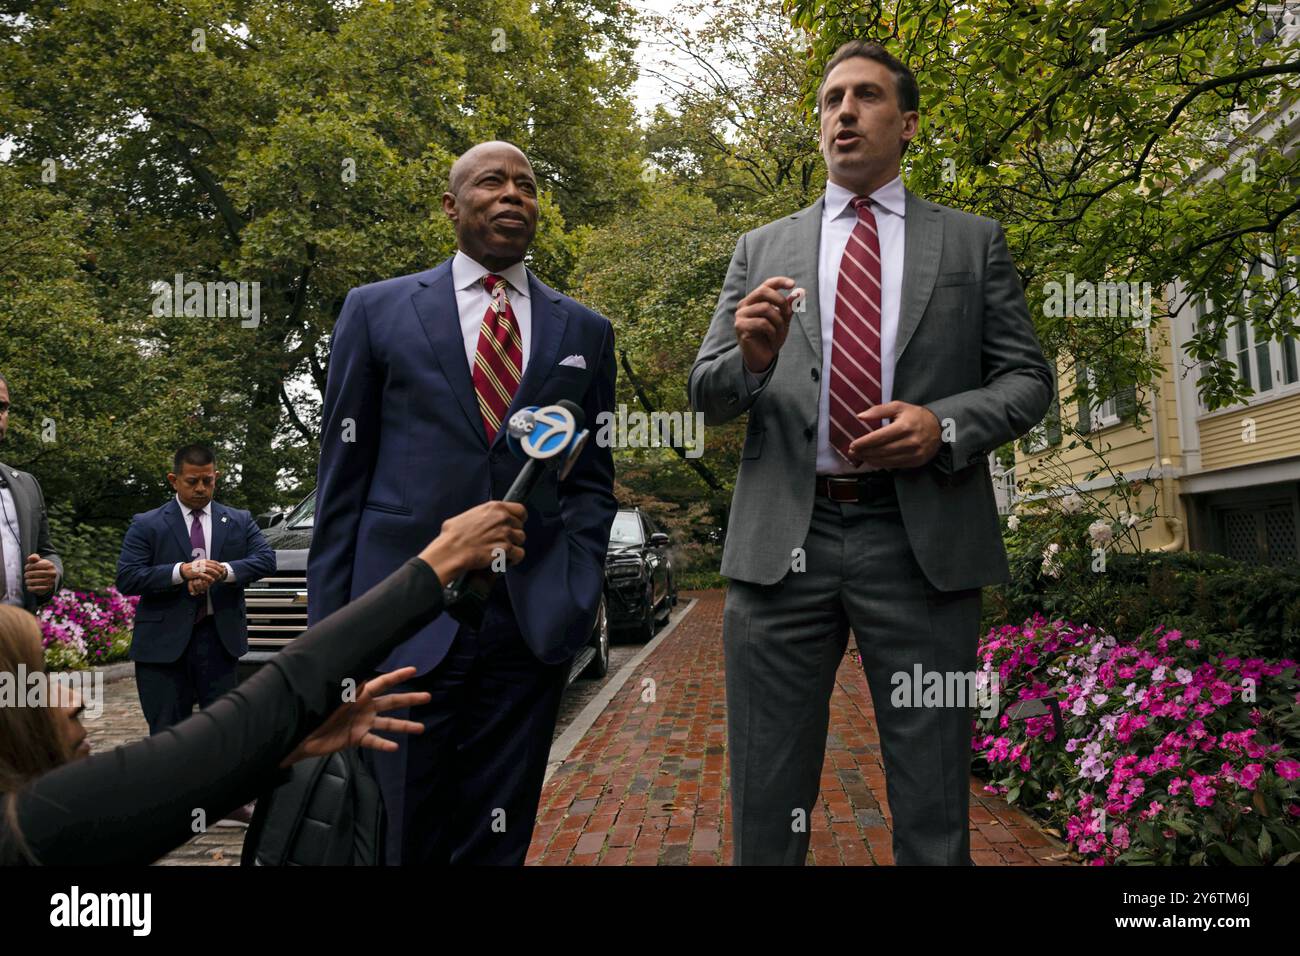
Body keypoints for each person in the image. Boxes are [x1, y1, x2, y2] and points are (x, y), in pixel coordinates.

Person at [689, 41, 1054, 865]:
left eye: (866, 96)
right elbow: (706, 392)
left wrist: (943, 426)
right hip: (783, 546)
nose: (844, 112)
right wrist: (750, 360)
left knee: (933, 805)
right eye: (831, 100)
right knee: (765, 798)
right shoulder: (761, 248)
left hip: (921, 544)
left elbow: (1028, 380)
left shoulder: (972, 243)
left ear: (908, 123)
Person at [309, 140, 617, 865]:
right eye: (491, 182)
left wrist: (575, 592)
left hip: (527, 629)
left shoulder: (585, 330)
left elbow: (592, 482)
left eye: (526, 186)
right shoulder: (376, 310)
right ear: (451, 206)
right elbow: (341, 486)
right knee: (396, 836)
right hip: (405, 623)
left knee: (497, 840)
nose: (513, 195)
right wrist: (329, 648)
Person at [0, 500, 527, 866]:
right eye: (36, 684)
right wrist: (437, 564)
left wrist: (282, 749)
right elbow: (232, 730)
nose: (73, 700)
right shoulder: (30, 830)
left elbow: (162, 798)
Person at [116, 443, 277, 737]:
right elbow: (128, 577)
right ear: (173, 480)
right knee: (167, 738)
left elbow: (266, 560)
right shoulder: (147, 524)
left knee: (224, 735)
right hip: (162, 649)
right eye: (192, 481)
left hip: (220, 643)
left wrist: (222, 571)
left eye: (208, 480)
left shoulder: (239, 520)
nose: (201, 488)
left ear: (216, 477)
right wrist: (181, 572)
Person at [0, 372, 63, 611]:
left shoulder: (27, 485)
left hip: (19, 627)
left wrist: (50, 576)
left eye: (2, 407)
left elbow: (47, 552)